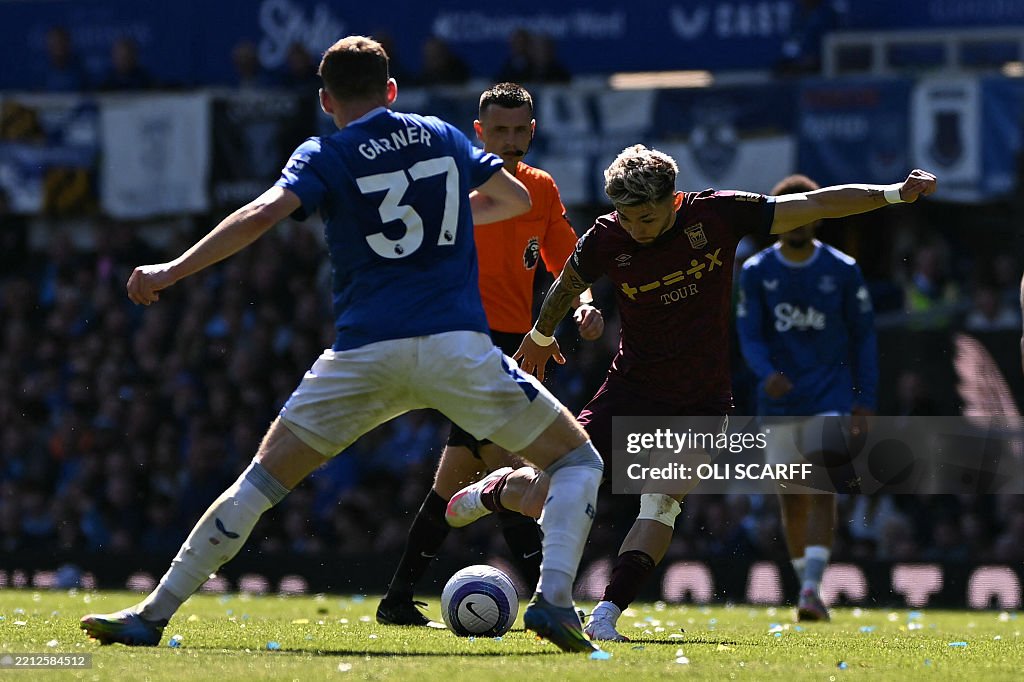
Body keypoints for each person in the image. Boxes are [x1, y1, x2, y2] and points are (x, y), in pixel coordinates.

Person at [80, 35, 603, 654]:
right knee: (577, 463)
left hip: (362, 355)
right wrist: (448, 215)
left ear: (326, 99)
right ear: (391, 90)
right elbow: (513, 198)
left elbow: (262, 215)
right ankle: (555, 601)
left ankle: (153, 612)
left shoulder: (325, 151)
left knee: (260, 483)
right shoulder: (440, 134)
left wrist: (169, 271)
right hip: (455, 349)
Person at [447, 144, 936, 641]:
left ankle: (607, 616)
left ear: (673, 199)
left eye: (646, 216)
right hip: (631, 391)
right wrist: (542, 334)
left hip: (702, 402)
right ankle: (496, 489)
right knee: (542, 497)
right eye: (627, 217)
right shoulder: (607, 236)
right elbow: (569, 282)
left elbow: (814, 205)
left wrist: (894, 193)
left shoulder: (718, 213)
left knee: (662, 504)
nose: (636, 227)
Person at [375, 82, 603, 627]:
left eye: (520, 129)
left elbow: (566, 261)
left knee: (461, 477)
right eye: (499, 130)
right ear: (478, 132)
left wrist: (584, 304)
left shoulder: (541, 190)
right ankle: (553, 603)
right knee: (506, 468)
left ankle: (398, 598)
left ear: (533, 130)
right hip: (460, 341)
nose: (511, 140)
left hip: (513, 346)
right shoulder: (452, 187)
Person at [735, 173, 878, 622]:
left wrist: (865, 398)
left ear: (817, 216)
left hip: (829, 394)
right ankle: (807, 588)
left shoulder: (843, 270)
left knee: (822, 487)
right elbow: (747, 333)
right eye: (787, 214)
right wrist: (764, 372)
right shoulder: (757, 272)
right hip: (777, 401)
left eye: (805, 211)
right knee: (790, 496)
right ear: (776, 221)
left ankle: (813, 586)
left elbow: (864, 337)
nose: (796, 222)